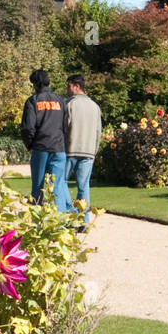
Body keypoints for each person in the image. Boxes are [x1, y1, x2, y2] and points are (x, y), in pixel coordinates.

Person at [19, 69, 71, 211]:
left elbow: (27, 128)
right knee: (58, 186)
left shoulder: (33, 101)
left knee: (38, 186)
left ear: (35, 84)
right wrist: (64, 146)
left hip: (41, 148)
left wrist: (30, 144)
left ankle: (37, 223)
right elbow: (66, 126)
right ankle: (58, 225)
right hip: (59, 148)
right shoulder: (61, 101)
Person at [64, 74, 102, 231]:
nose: (67, 89)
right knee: (84, 186)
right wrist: (94, 151)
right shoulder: (95, 106)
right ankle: (84, 221)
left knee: (60, 183)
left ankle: (71, 214)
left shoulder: (69, 104)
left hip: (70, 150)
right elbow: (98, 131)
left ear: (75, 86)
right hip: (88, 151)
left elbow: (64, 128)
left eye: (68, 86)